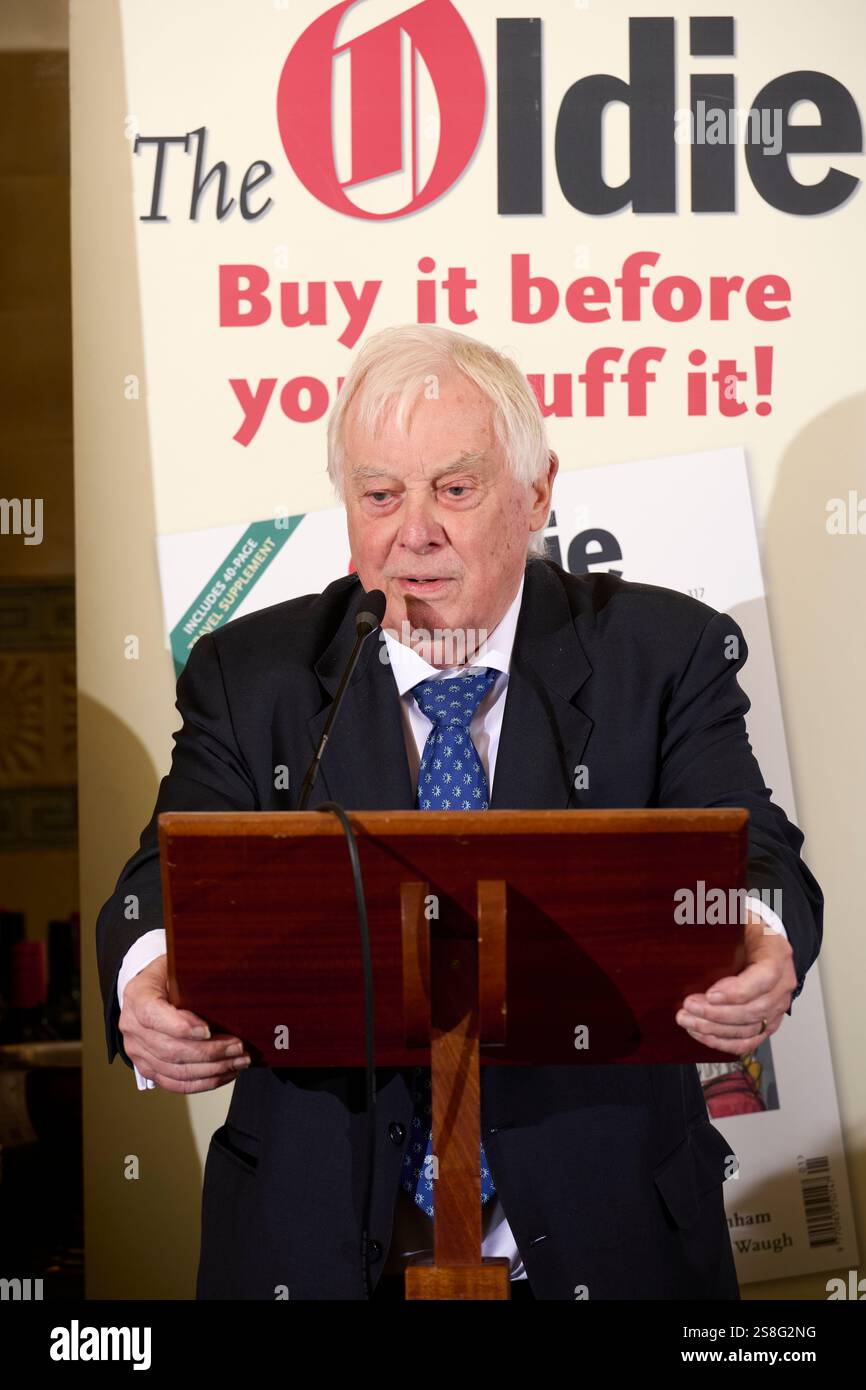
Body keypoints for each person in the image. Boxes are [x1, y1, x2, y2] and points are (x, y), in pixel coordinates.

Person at [96, 324, 823, 1300]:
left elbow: (755, 850)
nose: (414, 530)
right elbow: (156, 882)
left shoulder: (662, 651)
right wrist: (148, 980)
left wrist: (757, 943)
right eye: (379, 493)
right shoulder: (250, 673)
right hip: (312, 1253)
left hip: (607, 1242)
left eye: (454, 486)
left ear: (535, 492)